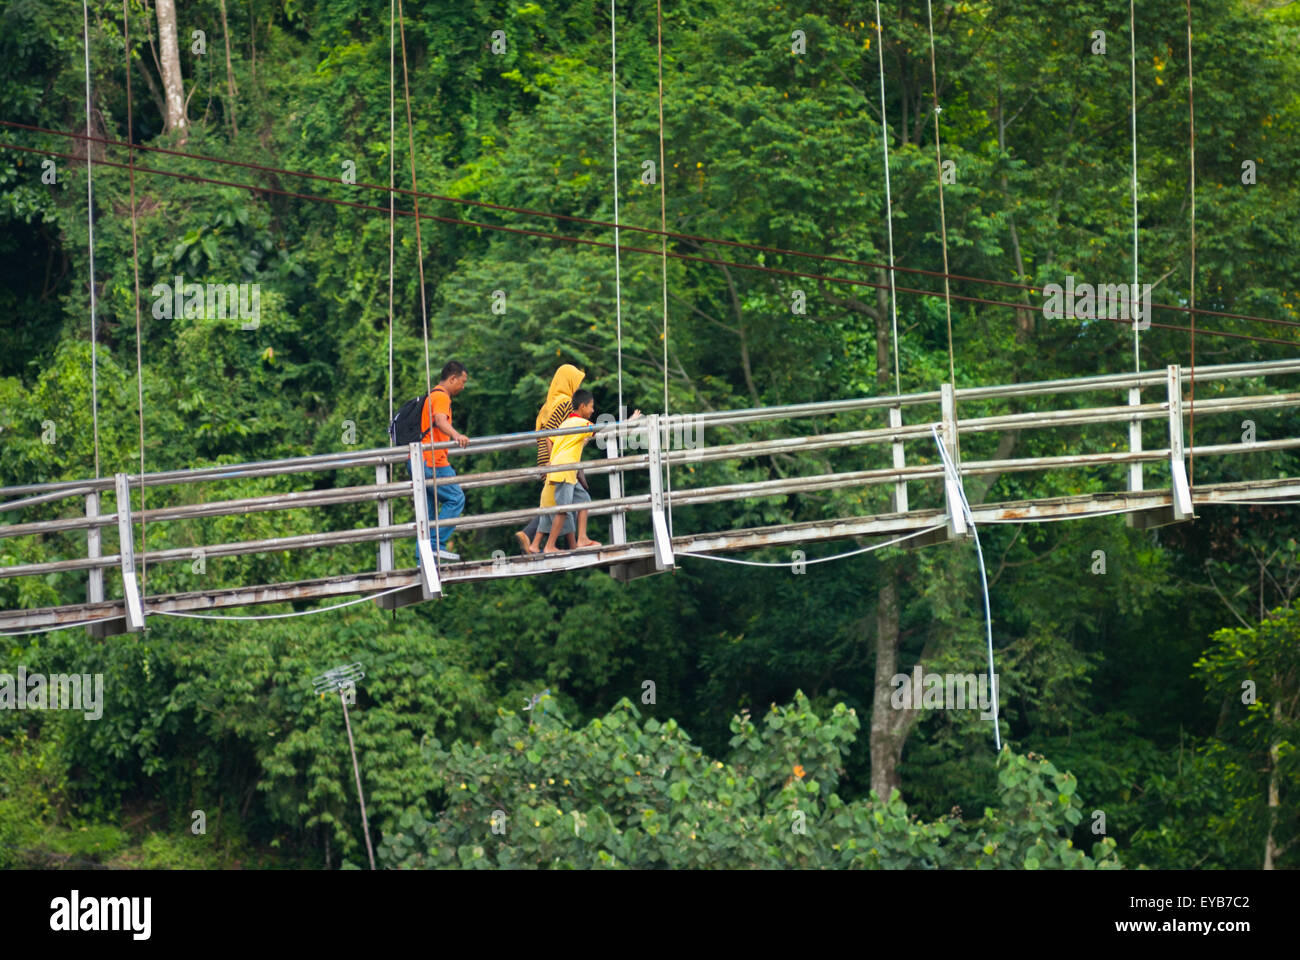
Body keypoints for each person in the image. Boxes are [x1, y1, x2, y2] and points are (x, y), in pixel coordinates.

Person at [535, 390, 640, 554]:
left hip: (566, 470)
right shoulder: (581, 424)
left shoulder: (566, 423)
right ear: (582, 406)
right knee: (562, 511)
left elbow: (549, 438)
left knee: (584, 500)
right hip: (565, 471)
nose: (592, 411)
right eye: (591, 407)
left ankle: (582, 538)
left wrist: (551, 460)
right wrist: (629, 421)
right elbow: (605, 428)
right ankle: (549, 546)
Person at [515, 364, 585, 555]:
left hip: (548, 458)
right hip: (554, 460)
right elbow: (550, 433)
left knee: (559, 501)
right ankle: (531, 536)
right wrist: (554, 461)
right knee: (561, 502)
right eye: (577, 383)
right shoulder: (565, 403)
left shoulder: (550, 403)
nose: (578, 388)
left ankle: (569, 544)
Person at [422, 361, 470, 561]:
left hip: (421, 461)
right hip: (434, 461)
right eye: (462, 381)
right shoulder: (441, 396)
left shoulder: (430, 395)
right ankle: (435, 545)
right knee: (455, 498)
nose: (463, 386)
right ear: (452, 378)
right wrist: (457, 435)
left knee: (429, 512)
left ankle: (424, 558)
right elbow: (441, 420)